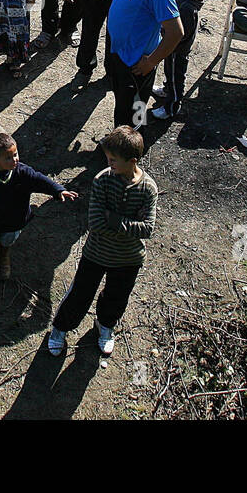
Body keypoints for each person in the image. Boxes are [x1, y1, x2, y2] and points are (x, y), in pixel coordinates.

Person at [47, 126, 157, 358]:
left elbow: (147, 229)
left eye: (113, 160)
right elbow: (96, 223)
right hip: (96, 254)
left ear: (132, 160)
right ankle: (60, 328)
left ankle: (105, 325)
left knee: (117, 297)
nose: (110, 164)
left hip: (128, 259)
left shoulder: (148, 188)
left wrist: (114, 218)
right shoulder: (102, 181)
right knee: (80, 294)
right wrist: (128, 225)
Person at [0, 132, 79, 285]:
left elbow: (40, 180)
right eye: (8, 157)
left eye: (15, 154)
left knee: (8, 240)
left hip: (15, 220)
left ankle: (4, 256)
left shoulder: (23, 172)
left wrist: (58, 190)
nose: (15, 159)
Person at [105, 0, 183, 131]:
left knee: (136, 109)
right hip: (121, 53)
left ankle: (131, 145)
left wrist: (151, 61)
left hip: (138, 63)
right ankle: (120, 143)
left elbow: (176, 32)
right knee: (123, 106)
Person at [151, 0, 209, 120]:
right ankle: (166, 89)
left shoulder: (188, 8)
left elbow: (181, 34)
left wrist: (164, 32)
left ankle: (172, 106)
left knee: (176, 76)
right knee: (169, 71)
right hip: (171, 48)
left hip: (178, 50)